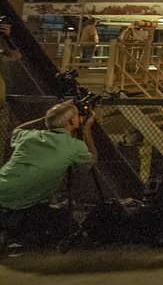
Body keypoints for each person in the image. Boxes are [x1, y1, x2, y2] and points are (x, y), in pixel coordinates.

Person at [0, 100, 96, 244]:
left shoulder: (29, 136)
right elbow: (92, 159)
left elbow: (17, 130)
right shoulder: (74, 146)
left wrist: (50, 117)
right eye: (77, 115)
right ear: (71, 121)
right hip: (26, 203)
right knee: (63, 221)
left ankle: (7, 227)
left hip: (3, 191)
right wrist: (86, 130)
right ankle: (13, 228)